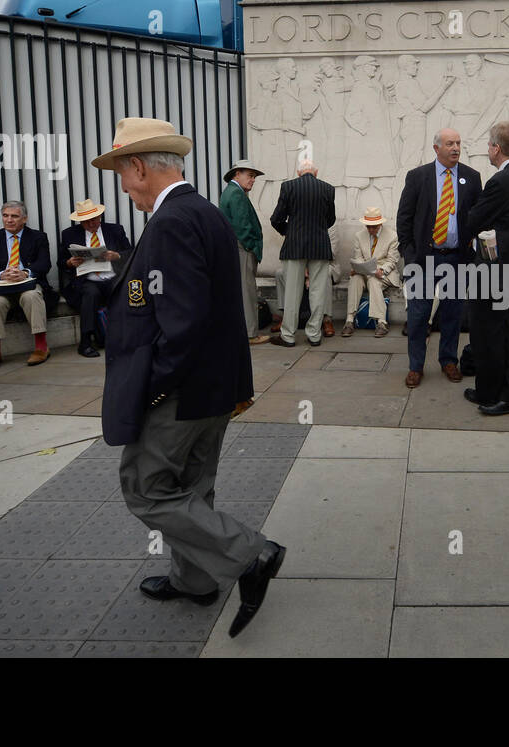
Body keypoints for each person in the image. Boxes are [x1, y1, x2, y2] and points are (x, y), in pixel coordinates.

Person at [92, 117, 283, 639]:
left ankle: (252, 554)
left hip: (181, 388)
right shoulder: (201, 210)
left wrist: (153, 387)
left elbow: (182, 321)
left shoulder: (173, 220)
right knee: (193, 489)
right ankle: (195, 581)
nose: (124, 187)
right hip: (215, 385)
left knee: (146, 489)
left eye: (123, 174)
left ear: (138, 166)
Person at [396, 128, 483, 388]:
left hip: (456, 259)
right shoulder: (418, 177)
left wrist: (472, 250)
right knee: (419, 315)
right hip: (424, 258)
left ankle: (448, 360)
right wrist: (409, 255)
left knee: (452, 314)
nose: (456, 148)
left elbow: (478, 217)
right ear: (437, 148)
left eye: (458, 143)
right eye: (450, 144)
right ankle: (415, 366)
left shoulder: (471, 177)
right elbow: (404, 219)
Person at [465, 121, 509, 415]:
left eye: (489, 145)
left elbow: (474, 220)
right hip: (506, 271)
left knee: (495, 337)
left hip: (495, 273)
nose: (488, 150)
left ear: (496, 147)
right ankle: (488, 390)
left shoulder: (501, 181)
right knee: (493, 334)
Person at [0, 200, 53, 370]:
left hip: (27, 284)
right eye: (5, 216)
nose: (9, 220)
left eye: (14, 216)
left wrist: (25, 272)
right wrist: (1, 274)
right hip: (0, 286)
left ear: (24, 219)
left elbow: (44, 264)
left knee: (32, 296)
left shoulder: (38, 237)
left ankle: (41, 347)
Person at [269, 160, 336, 347]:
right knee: (317, 291)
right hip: (320, 246)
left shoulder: (288, 186)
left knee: (292, 292)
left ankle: (288, 335)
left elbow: (276, 218)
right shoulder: (328, 189)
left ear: (299, 173)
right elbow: (330, 219)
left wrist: (289, 231)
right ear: (316, 172)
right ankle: (314, 334)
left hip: (295, 245)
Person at [59, 198, 131, 357]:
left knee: (123, 290)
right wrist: (70, 262)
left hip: (112, 276)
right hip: (87, 279)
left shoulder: (115, 230)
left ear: (100, 217)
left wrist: (117, 255)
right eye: (86, 221)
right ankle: (85, 342)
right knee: (90, 294)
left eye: (94, 219)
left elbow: (130, 253)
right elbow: (61, 263)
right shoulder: (69, 234)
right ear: (80, 221)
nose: (91, 224)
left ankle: (126, 337)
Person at [218, 159, 270, 346]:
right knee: (247, 291)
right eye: (250, 175)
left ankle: (243, 331)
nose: (253, 180)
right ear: (236, 174)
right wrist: (252, 247)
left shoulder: (231, 192)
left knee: (241, 291)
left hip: (238, 249)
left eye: (254, 176)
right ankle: (250, 334)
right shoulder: (237, 195)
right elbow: (242, 227)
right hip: (243, 249)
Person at [342, 207, 401, 337]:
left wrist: (382, 270)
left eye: (374, 227)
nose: (370, 230)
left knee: (374, 280)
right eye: (368, 226)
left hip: (384, 272)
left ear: (380, 224)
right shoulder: (359, 235)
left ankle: (381, 322)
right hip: (365, 271)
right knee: (355, 278)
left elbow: (392, 260)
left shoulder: (392, 236)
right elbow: (358, 257)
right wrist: (356, 268)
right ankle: (349, 320)